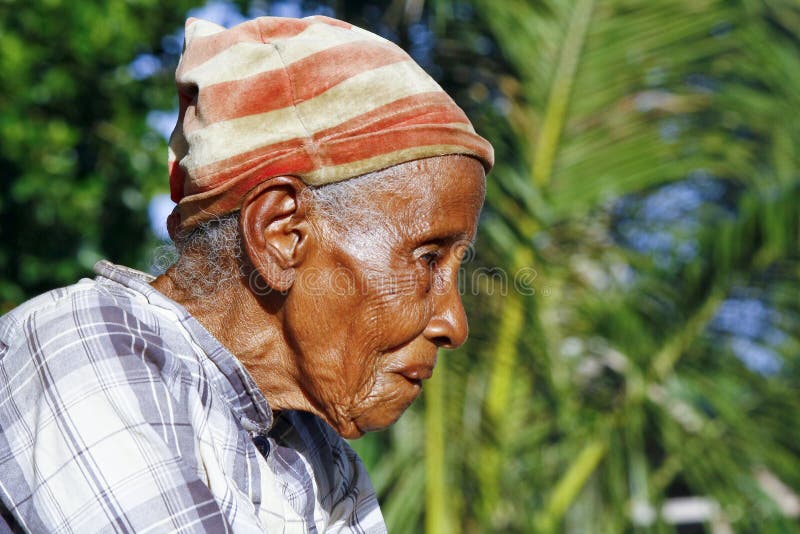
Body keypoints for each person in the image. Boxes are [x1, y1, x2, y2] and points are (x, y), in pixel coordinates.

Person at [0, 14, 492, 533]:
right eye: (428, 257)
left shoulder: (318, 455)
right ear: (281, 233)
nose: (454, 324)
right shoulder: (83, 349)